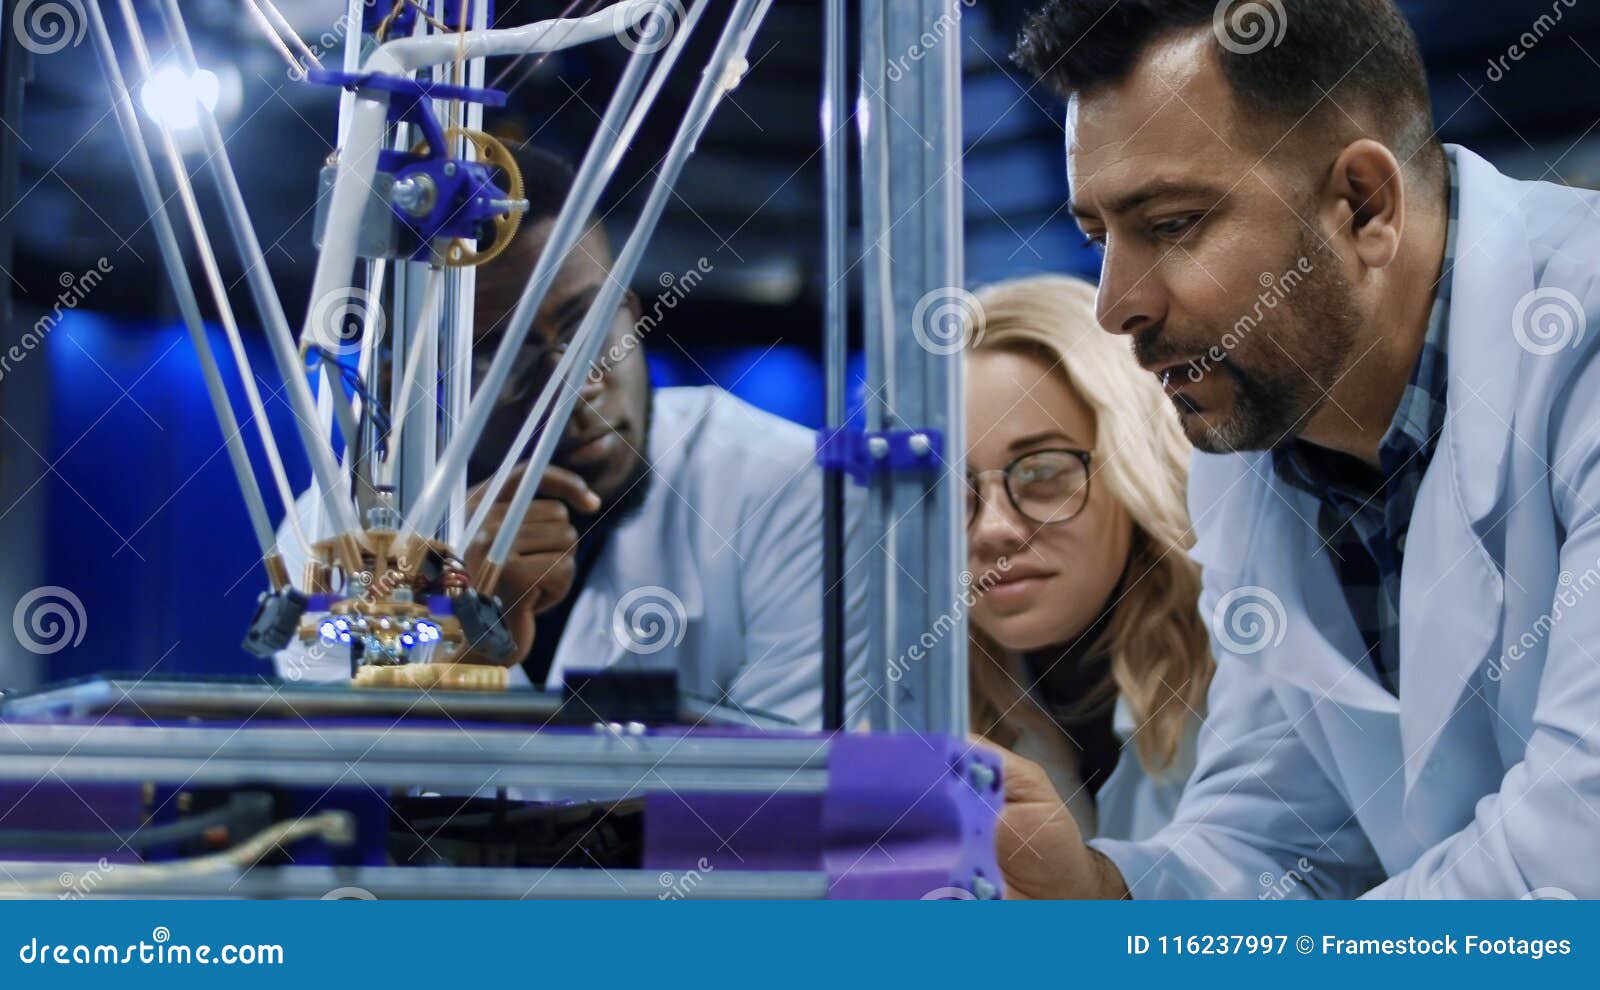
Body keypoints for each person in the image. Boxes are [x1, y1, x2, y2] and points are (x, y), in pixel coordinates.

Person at [991, 0, 1600, 898]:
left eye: (1171, 225)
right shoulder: (1262, 431)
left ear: (1363, 205)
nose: (1115, 307)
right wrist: (1088, 890)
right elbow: (1273, 842)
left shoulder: (1578, 344)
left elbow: (1570, 862)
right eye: (1098, 239)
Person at [279, 146, 867, 728]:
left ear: (630, 313)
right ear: (405, 386)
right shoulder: (336, 542)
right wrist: (464, 637)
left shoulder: (788, 489)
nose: (576, 385)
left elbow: (785, 801)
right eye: (504, 358)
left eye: (588, 326)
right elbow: (359, 799)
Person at [965, 274, 1211, 842]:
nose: (993, 529)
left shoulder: (1246, 658)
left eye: (1044, 474)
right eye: (950, 490)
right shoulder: (921, 690)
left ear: (1135, 470)